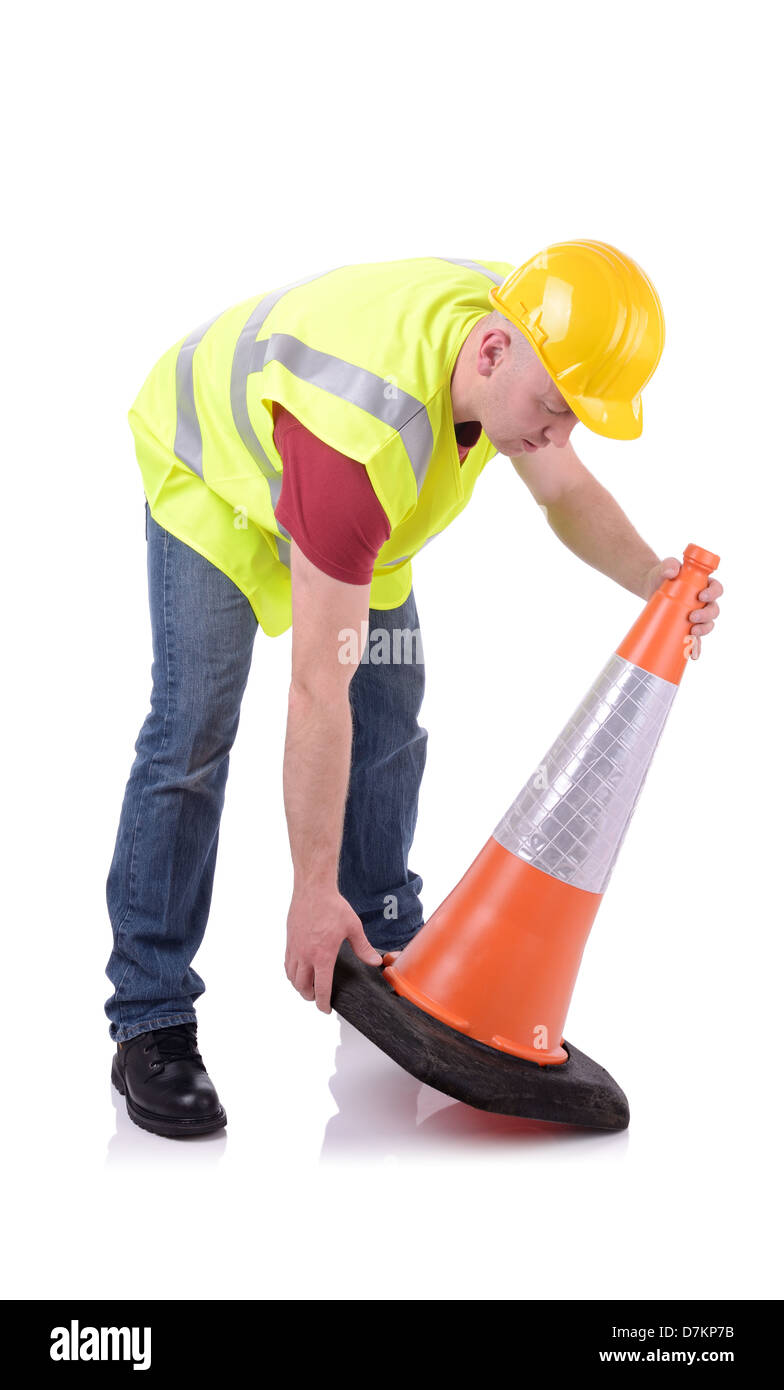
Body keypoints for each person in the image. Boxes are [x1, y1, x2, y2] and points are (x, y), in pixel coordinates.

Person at [105, 243, 723, 1139]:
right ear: (492, 354)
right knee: (193, 734)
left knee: (392, 711)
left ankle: (386, 934)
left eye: (574, 416)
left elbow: (563, 489)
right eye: (555, 410)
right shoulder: (362, 438)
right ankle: (150, 1017)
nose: (557, 435)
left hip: (360, 520)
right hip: (215, 475)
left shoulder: (522, 331)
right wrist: (308, 891)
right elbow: (319, 690)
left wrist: (654, 580)